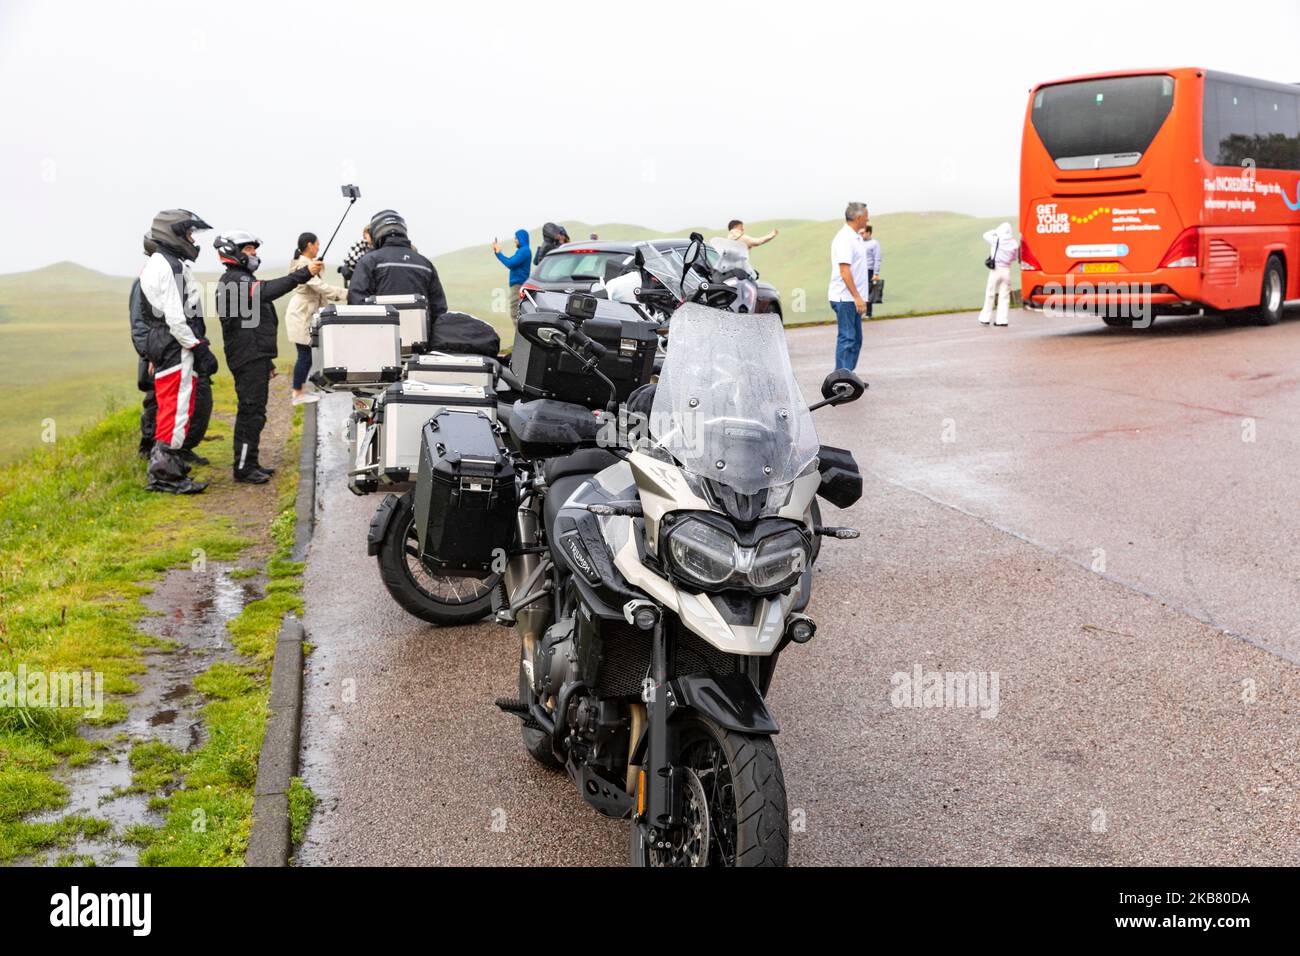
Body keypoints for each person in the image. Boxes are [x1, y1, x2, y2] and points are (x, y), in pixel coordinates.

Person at [214, 231, 321, 483]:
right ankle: (243, 467)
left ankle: (250, 462)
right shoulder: (234, 281)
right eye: (249, 249)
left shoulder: (241, 279)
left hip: (254, 355)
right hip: (246, 356)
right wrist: (305, 272)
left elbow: (251, 323)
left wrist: (266, 360)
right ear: (234, 252)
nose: (254, 254)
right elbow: (269, 291)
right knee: (250, 411)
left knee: (256, 411)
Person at [136, 208, 219, 494]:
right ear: (172, 233)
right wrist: (196, 346)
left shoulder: (165, 262)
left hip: (168, 341)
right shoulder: (167, 266)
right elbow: (175, 315)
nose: (192, 239)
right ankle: (164, 474)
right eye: (188, 233)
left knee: (172, 405)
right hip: (174, 343)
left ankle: (168, 464)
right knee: (176, 407)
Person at [347, 211, 449, 329]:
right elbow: (439, 309)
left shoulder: (369, 261)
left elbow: (356, 302)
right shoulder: (425, 264)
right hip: (421, 341)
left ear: (376, 233)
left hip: (378, 338)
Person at [285, 231, 347, 405]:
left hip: (305, 313)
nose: (319, 247)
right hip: (301, 315)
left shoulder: (307, 264)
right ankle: (297, 393)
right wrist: (349, 294)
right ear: (309, 245)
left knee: (308, 354)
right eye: (317, 244)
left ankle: (301, 389)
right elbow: (321, 288)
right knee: (305, 355)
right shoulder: (304, 266)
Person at [828, 201, 871, 371]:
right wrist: (857, 297)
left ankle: (848, 377)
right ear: (859, 217)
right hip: (845, 297)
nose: (868, 220)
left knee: (856, 339)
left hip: (852, 298)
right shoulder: (844, 239)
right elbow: (844, 271)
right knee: (847, 338)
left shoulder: (855, 237)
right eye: (866, 217)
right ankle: (841, 381)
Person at [979, 222, 1019, 327]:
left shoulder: (997, 240)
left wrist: (996, 231)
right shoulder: (1013, 243)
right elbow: (1014, 257)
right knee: (1004, 296)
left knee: (990, 293)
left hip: (996, 269)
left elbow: (985, 235)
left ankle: (985, 318)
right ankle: (1002, 320)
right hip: (1007, 270)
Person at [492, 229, 531, 325]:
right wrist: (498, 253)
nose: (514, 240)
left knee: (515, 314)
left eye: (516, 238)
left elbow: (510, 263)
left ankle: (520, 338)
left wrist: (499, 253)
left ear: (521, 239)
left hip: (518, 285)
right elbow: (511, 261)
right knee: (517, 313)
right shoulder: (523, 251)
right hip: (519, 285)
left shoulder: (524, 251)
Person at [860, 223, 882, 319]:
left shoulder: (874, 243)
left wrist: (876, 273)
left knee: (868, 292)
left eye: (863, 233)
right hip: (859, 270)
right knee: (859, 291)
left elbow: (877, 258)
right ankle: (859, 313)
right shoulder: (858, 242)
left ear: (869, 233)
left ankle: (868, 313)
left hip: (869, 270)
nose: (861, 235)